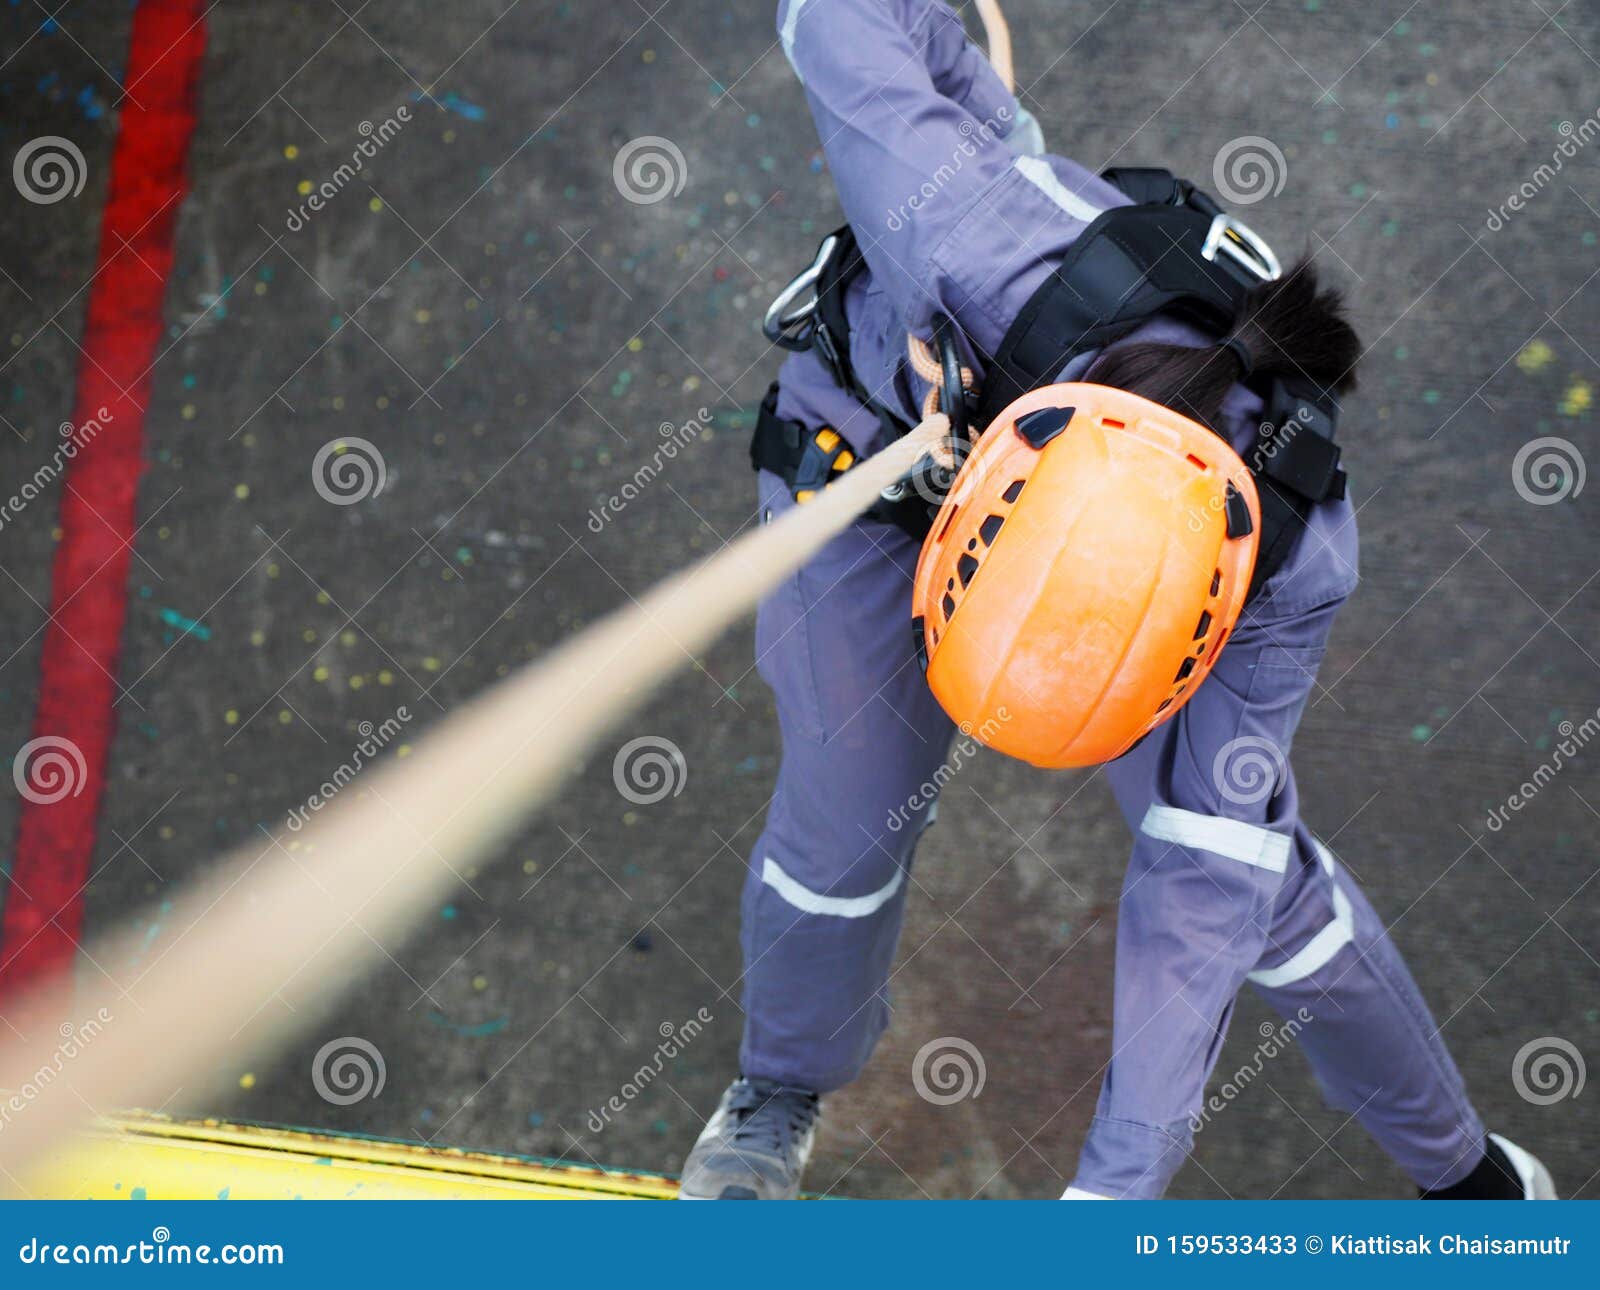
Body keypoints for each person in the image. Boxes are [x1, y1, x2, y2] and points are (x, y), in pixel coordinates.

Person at [677, 0, 1554, 1201]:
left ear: (1196, 626)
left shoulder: (1283, 564)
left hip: (1098, 512)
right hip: (870, 466)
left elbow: (1201, 888)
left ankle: (1471, 1183)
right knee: (843, 819)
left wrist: (1107, 1208)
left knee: (1266, 894)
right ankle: (778, 1090)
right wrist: (984, 111)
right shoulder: (964, 239)